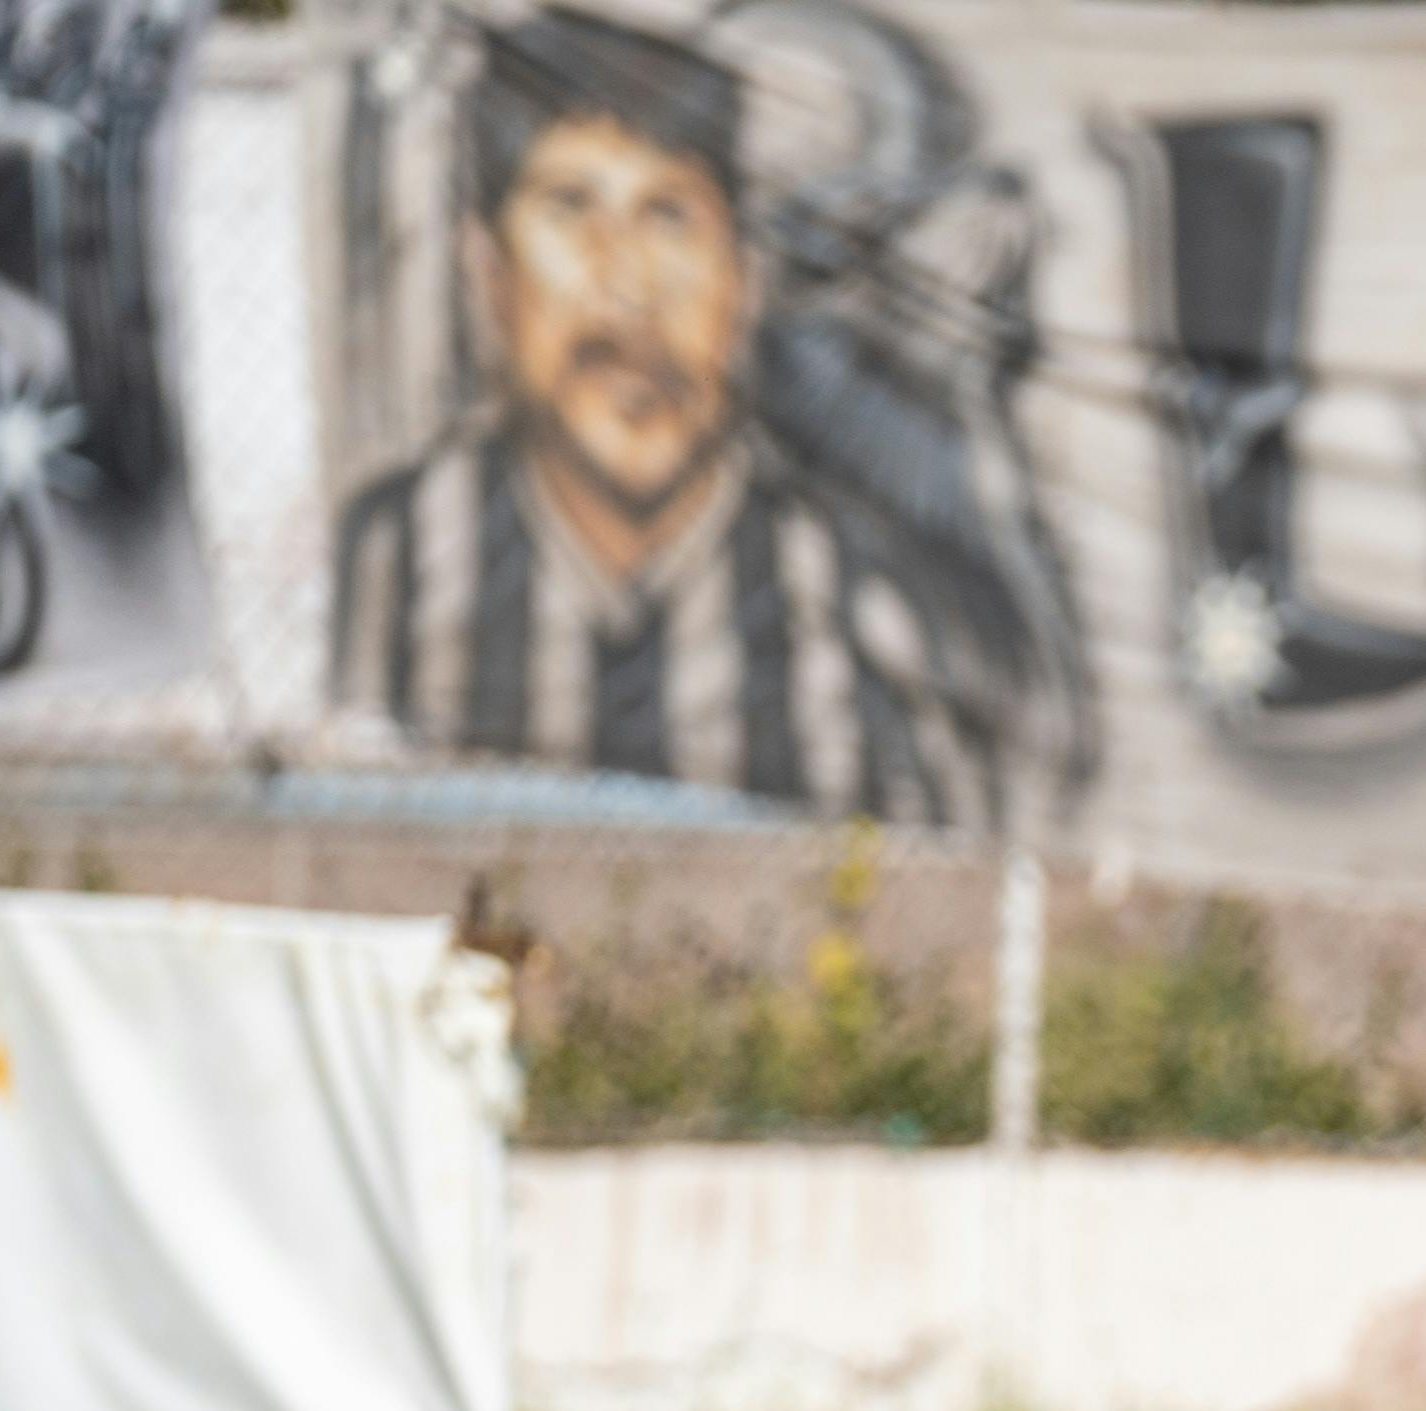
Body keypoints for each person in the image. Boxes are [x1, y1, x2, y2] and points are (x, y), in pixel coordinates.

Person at [327, 9, 983, 817]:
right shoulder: (402, 551)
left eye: (670, 215)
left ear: (742, 279)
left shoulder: (847, 589)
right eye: (571, 209)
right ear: (487, 269)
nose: (629, 287)